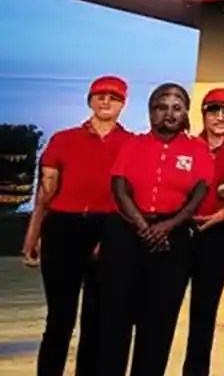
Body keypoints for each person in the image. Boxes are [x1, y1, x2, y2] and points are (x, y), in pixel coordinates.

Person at [98, 83, 213, 376]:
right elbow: (119, 187)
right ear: (151, 111)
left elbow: (199, 194)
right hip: (126, 235)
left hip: (172, 239)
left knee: (159, 320)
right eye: (162, 106)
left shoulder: (197, 149)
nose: (169, 113)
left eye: (177, 107)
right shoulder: (132, 144)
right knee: (115, 317)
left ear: (186, 112)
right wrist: (143, 225)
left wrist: (167, 226)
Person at [23, 75, 132, 376]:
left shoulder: (132, 144)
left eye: (114, 96)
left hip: (109, 229)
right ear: (90, 100)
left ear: (123, 103)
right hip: (63, 228)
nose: (106, 100)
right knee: (60, 317)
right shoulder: (63, 139)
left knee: (96, 319)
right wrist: (33, 234)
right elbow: (45, 193)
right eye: (100, 95)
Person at [183, 88, 224, 376]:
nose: (220, 117)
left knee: (204, 312)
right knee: (162, 309)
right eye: (213, 110)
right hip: (180, 232)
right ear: (203, 113)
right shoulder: (187, 147)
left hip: (217, 237)